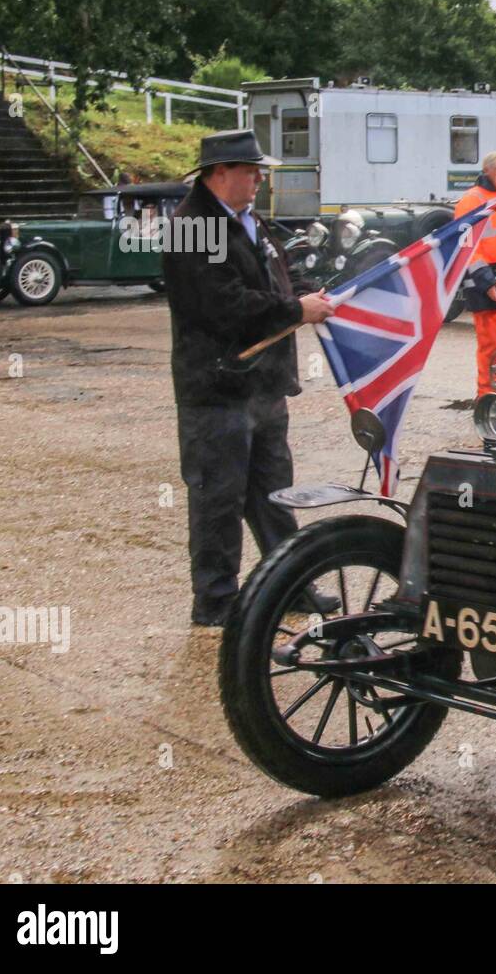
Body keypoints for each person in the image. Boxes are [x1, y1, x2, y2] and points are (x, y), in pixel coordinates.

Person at [163, 130, 338, 626]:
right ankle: (216, 602)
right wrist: (294, 310)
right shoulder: (191, 227)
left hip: (261, 385)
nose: (260, 178)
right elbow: (222, 305)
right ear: (218, 173)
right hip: (217, 389)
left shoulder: (245, 219)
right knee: (218, 499)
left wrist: (307, 296)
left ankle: (291, 586)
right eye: (250, 170)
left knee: (274, 494)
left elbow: (274, 280)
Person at [455, 151, 496, 397]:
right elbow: (467, 246)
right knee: (491, 347)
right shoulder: (472, 200)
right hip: (487, 285)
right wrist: (486, 281)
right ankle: (486, 396)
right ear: (487, 172)